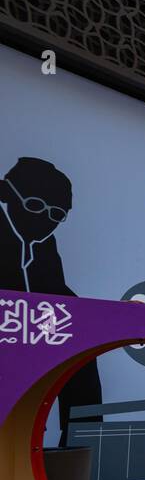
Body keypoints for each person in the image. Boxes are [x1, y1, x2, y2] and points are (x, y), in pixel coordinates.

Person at [0, 157, 102, 443]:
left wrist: (104, 317)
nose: (45, 220)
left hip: (32, 345)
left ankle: (82, 450)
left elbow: (57, 294)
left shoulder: (43, 242)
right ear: (8, 195)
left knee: (82, 358)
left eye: (56, 215)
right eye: (35, 206)